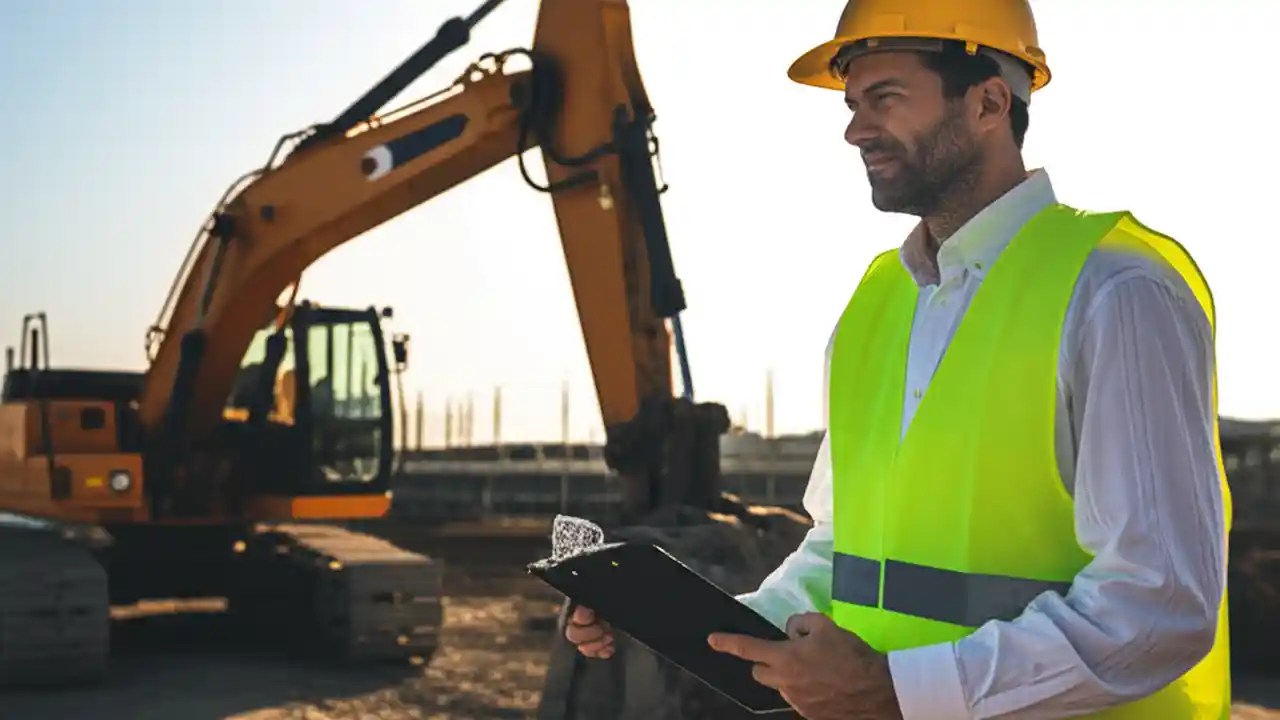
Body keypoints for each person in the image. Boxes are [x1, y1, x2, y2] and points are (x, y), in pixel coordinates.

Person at [563, 1, 1233, 718]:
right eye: (852, 104)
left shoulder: (1117, 291)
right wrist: (695, 627)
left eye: (885, 98)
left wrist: (901, 690)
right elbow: (846, 558)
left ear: (988, 102)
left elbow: (1158, 604)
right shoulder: (879, 304)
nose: (854, 129)